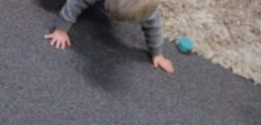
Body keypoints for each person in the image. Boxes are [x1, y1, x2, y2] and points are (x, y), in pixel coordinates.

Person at [44, 0, 174, 73]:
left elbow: (153, 27)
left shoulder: (148, 10)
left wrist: (157, 54)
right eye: (110, 10)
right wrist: (61, 30)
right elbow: (75, 3)